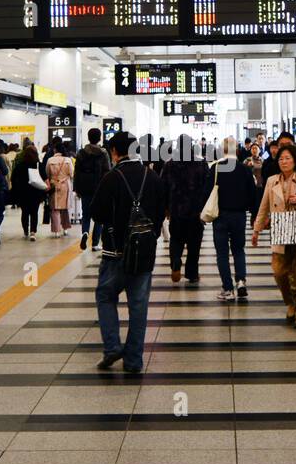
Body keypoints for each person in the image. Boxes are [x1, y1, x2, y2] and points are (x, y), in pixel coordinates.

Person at [92, 131, 166, 373]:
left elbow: (97, 213)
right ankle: (133, 360)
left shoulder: (111, 178)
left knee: (105, 296)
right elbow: (162, 212)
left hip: (114, 253)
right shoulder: (152, 176)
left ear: (114, 152)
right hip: (143, 254)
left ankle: (112, 346)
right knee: (139, 306)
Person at [252, 144, 296, 327]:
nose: (284, 162)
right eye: (281, 159)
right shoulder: (272, 181)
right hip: (281, 229)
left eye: (288, 158)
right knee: (278, 272)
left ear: (295, 160)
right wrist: (257, 230)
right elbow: (264, 206)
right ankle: (290, 302)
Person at [211, 137, 256, 301]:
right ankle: (241, 281)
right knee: (238, 249)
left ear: (222, 150)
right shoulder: (244, 170)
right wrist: (254, 213)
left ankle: (228, 289)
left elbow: (207, 191)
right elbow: (252, 193)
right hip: (239, 215)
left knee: (222, 253)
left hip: (220, 216)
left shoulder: (216, 168)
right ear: (237, 150)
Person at [161, 133, 209, 284]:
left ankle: (176, 262)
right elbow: (206, 187)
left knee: (176, 239)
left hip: (176, 209)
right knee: (194, 243)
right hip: (196, 211)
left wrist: (166, 208)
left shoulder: (169, 164)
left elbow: (163, 187)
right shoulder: (201, 164)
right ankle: (192, 273)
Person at [75, 128, 111, 251]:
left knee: (86, 215)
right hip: (99, 188)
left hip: (84, 187)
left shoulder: (81, 153)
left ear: (88, 137)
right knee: (99, 216)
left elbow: (77, 172)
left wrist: (77, 189)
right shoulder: (103, 153)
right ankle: (95, 243)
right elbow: (107, 172)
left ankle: (85, 232)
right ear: (99, 138)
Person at [11, 144, 44, 240]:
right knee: (34, 212)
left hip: (22, 193)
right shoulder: (39, 165)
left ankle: (26, 230)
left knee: (24, 212)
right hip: (36, 193)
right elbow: (45, 178)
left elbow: (13, 178)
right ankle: (33, 232)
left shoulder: (19, 166)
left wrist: (15, 189)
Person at [46, 139, 74, 236]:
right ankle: (65, 229)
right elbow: (72, 174)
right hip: (66, 185)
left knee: (55, 208)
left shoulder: (50, 160)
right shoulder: (68, 160)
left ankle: (56, 231)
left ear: (55, 150)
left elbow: (47, 174)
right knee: (65, 208)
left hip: (54, 186)